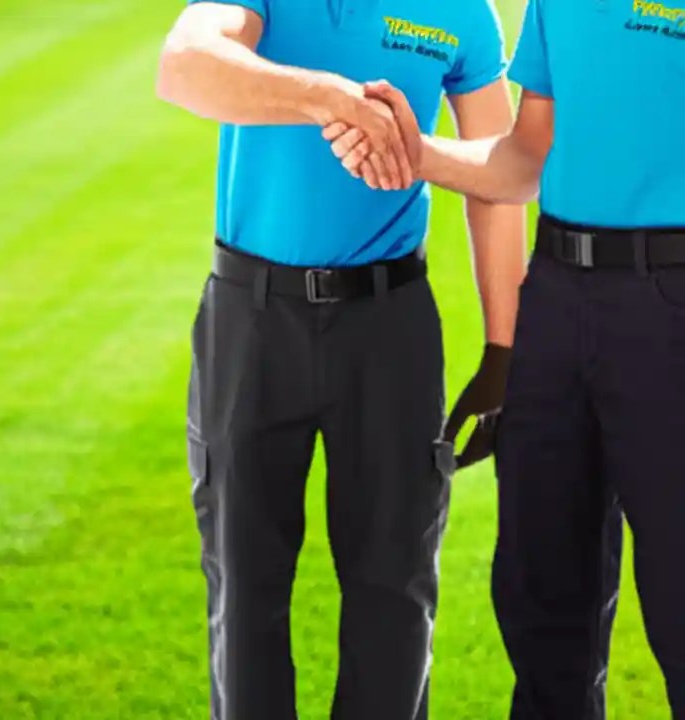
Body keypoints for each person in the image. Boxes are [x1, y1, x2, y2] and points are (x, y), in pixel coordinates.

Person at [155, 1, 527, 717]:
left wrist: (504, 347)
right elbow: (184, 65)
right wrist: (329, 98)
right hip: (251, 321)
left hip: (391, 327)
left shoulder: (461, 13)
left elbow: (500, 175)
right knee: (245, 583)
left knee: (396, 587)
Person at [324, 0, 685, 716]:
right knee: (542, 598)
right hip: (556, 298)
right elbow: (527, 155)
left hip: (670, 300)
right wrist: (411, 150)